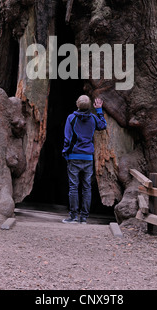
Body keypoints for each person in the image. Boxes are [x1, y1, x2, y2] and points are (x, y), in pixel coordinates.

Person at [62, 95, 107, 224]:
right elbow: (103, 125)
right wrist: (99, 110)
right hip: (88, 158)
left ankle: (73, 216)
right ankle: (84, 218)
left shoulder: (71, 118)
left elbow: (68, 139)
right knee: (87, 187)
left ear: (77, 104)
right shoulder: (93, 118)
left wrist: (65, 153)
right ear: (89, 106)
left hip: (74, 157)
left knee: (73, 187)